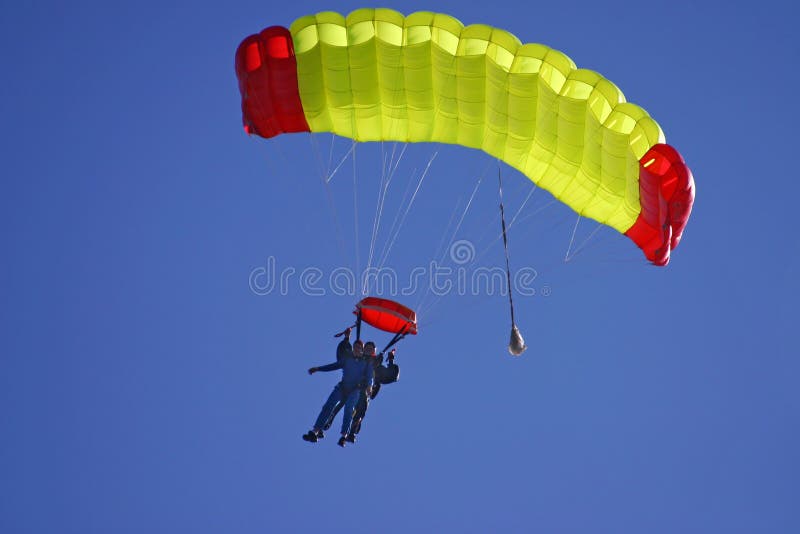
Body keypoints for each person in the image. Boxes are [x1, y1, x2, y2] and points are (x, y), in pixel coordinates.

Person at [302, 331, 374, 447]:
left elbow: (370, 376)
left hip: (354, 390)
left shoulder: (366, 363)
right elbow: (333, 366)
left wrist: (370, 386)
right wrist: (318, 368)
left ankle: (344, 436)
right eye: (354, 347)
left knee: (349, 409)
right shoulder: (347, 359)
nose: (356, 349)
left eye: (358, 348)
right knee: (328, 406)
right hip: (342, 387)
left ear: (362, 350)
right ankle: (315, 431)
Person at [345, 342, 400, 442]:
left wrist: (391, 360)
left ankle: (352, 433)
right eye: (366, 349)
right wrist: (346, 339)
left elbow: (391, 376)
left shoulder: (377, 368)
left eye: (370, 349)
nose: (368, 351)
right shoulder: (356, 360)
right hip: (351, 390)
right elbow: (343, 357)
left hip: (364, 393)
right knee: (346, 408)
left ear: (374, 352)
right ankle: (328, 424)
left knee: (359, 412)